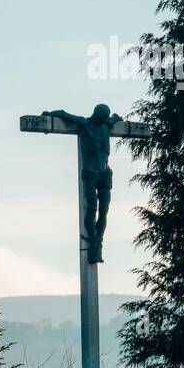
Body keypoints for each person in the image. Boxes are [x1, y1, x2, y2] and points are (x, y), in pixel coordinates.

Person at [41, 104, 122, 263]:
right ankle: (92, 239)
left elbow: (116, 116)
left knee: (104, 210)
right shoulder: (84, 124)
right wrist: (50, 114)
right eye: (103, 116)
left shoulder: (107, 124)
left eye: (106, 116)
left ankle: (98, 240)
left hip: (105, 173)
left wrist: (118, 117)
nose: (105, 119)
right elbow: (65, 115)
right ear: (96, 114)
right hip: (90, 173)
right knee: (92, 207)